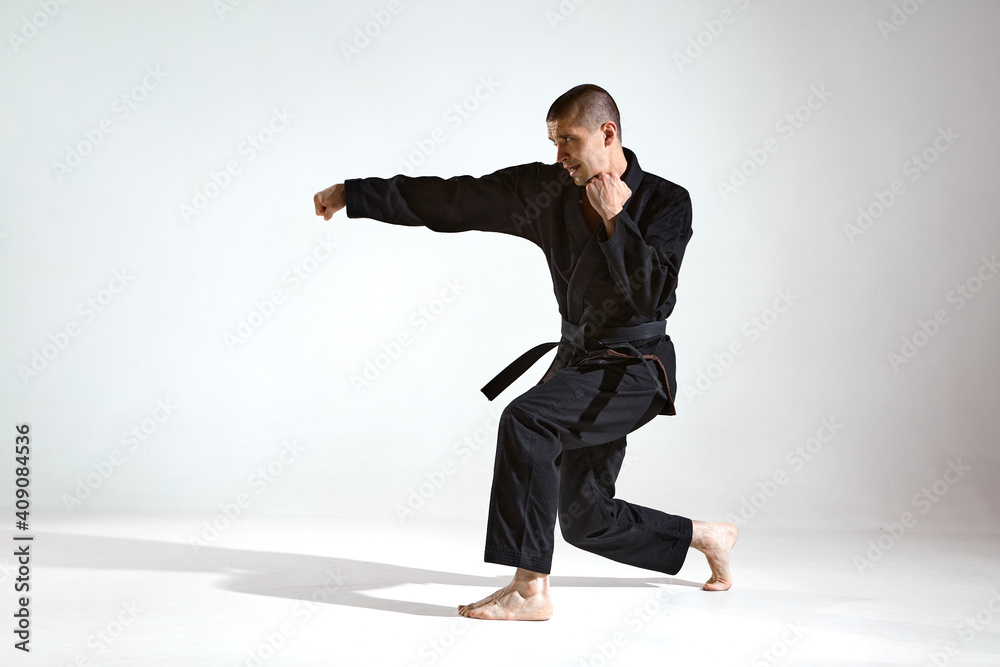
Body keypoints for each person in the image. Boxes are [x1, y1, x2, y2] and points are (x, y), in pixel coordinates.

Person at [313, 84, 737, 621]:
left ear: (608, 134)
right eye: (553, 141)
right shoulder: (550, 191)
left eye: (568, 140)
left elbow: (654, 297)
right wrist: (357, 194)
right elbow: (454, 198)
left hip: (634, 369)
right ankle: (707, 537)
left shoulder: (666, 201)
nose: (558, 155)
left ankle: (529, 589)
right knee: (588, 519)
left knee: (527, 421)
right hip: (578, 361)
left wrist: (616, 220)